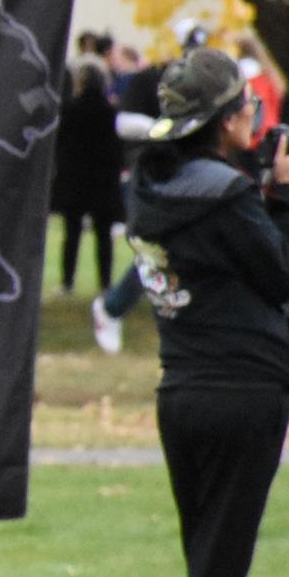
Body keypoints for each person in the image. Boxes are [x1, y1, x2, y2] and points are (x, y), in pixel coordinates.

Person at [124, 47, 289, 577]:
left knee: (209, 558)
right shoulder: (230, 195)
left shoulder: (152, 187)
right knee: (220, 565)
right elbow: (283, 274)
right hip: (241, 389)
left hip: (182, 388)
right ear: (220, 121)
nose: (256, 115)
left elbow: (222, 247)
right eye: (246, 106)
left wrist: (263, 186)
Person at [93, 18, 210, 352]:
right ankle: (112, 307)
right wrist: (165, 129)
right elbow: (124, 123)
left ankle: (186, 322)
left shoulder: (207, 88)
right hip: (148, 175)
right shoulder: (150, 79)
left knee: (193, 247)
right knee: (156, 247)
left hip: (192, 176)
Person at [50, 55, 124, 294]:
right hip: (103, 181)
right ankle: (105, 283)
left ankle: (67, 281)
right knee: (104, 236)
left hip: (74, 180)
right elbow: (116, 148)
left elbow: (60, 146)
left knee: (71, 234)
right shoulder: (111, 113)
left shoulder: (69, 111)